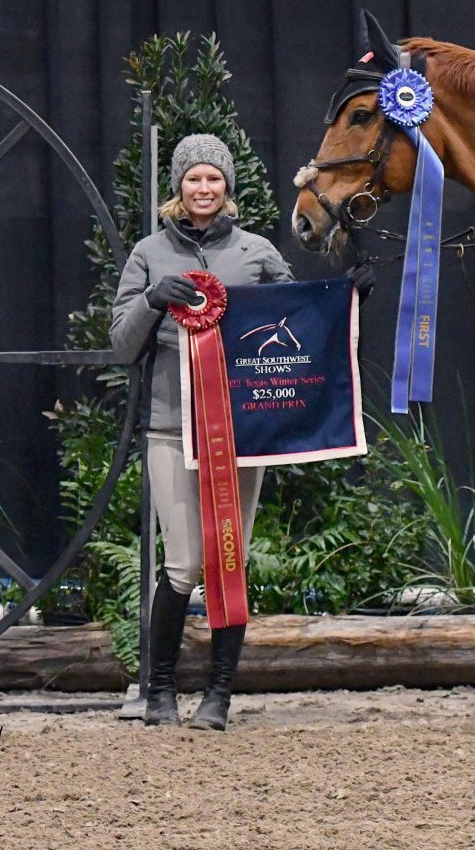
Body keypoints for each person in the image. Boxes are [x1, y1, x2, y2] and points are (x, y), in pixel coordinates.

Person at [110, 133, 291, 731]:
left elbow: (299, 327)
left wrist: (348, 299)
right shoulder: (147, 253)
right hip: (169, 427)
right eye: (193, 179)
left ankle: (218, 696)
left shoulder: (258, 252)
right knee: (183, 565)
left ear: (227, 187)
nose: (204, 188)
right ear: (178, 188)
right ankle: (159, 691)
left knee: (228, 560)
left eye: (214, 179)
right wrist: (154, 301)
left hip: (242, 431)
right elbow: (121, 345)